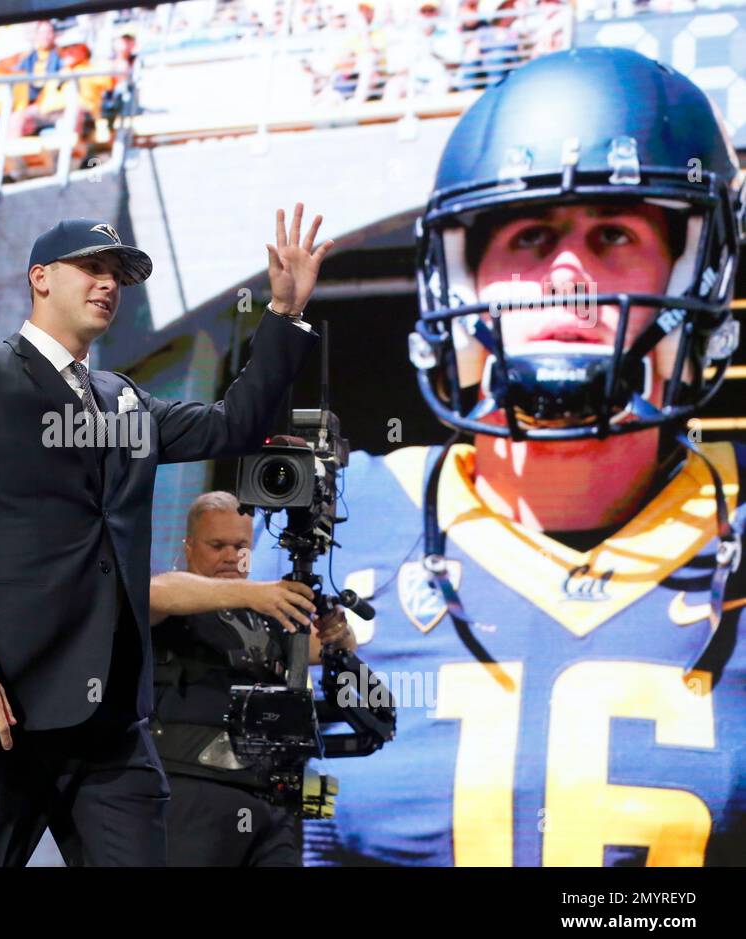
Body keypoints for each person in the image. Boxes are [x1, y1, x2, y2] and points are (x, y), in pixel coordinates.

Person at [252, 47, 746, 865]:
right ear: (460, 280)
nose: (566, 276)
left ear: (692, 273)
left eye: (615, 234)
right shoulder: (331, 535)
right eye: (531, 236)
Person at [0, 208, 334, 866]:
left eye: (119, 276)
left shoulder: (124, 401)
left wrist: (283, 312)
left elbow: (234, 424)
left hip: (111, 729)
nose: (109, 284)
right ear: (40, 278)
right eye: (93, 268)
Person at [149, 491, 356, 866]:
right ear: (189, 547)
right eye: (217, 545)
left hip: (271, 797)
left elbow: (328, 647)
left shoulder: (264, 612)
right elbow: (152, 594)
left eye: (241, 546)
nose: (231, 556)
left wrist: (338, 632)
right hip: (195, 790)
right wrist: (253, 591)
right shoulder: (176, 597)